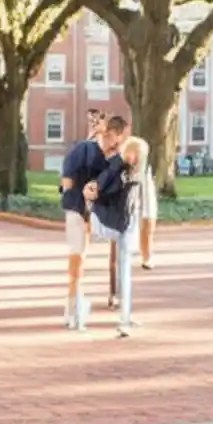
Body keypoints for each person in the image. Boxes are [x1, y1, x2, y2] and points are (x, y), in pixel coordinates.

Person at [60, 114, 126, 331]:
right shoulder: (82, 150)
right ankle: (73, 307)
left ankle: (115, 296)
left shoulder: (116, 159)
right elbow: (67, 182)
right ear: (113, 135)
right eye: (121, 137)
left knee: (117, 253)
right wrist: (81, 203)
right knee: (77, 257)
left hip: (102, 213)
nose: (122, 143)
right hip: (77, 210)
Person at [88, 134, 151, 337]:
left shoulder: (129, 171)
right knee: (124, 272)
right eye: (138, 155)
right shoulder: (119, 170)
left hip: (125, 223)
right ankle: (124, 320)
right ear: (131, 154)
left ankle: (126, 315)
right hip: (119, 223)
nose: (140, 160)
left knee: (126, 272)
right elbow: (103, 191)